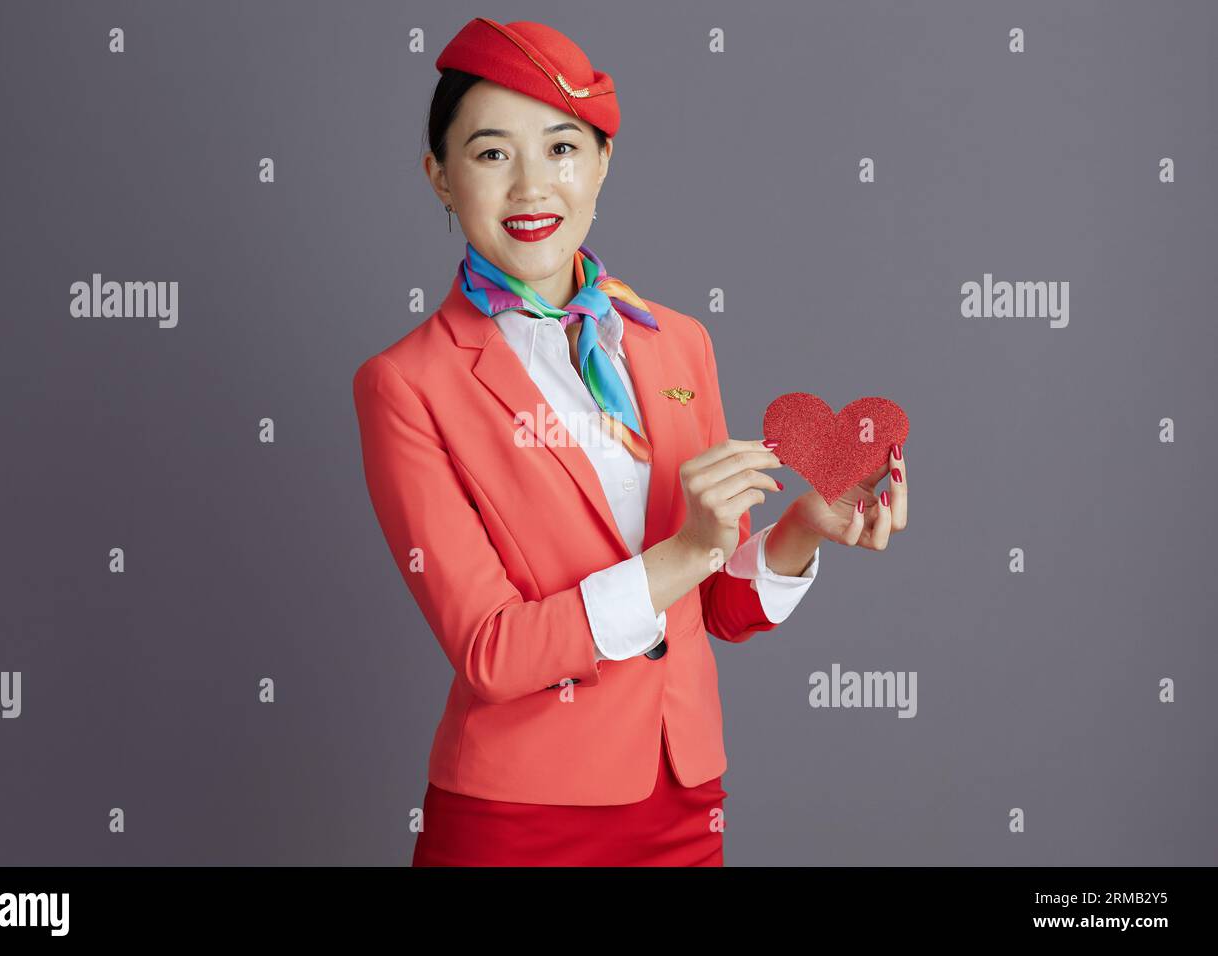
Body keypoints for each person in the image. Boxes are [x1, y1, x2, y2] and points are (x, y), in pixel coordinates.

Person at [352, 17, 909, 866]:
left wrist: (803, 531)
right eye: (493, 154)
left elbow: (710, 605)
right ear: (440, 176)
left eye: (563, 148)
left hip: (684, 806)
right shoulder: (408, 384)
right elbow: (492, 652)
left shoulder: (676, 342)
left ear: (603, 162)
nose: (533, 188)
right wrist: (686, 549)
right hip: (518, 821)